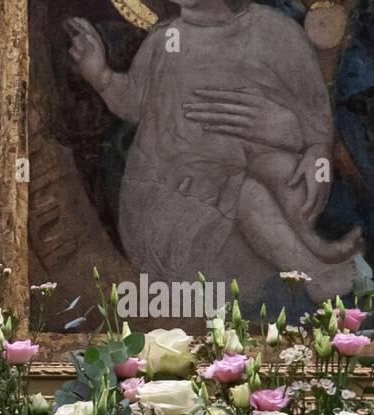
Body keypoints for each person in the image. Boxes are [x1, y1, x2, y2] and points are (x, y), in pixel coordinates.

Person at [67, 0, 361, 304]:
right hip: (169, 202)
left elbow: (317, 122)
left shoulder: (277, 33)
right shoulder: (166, 40)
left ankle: (311, 245)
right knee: (245, 193)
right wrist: (101, 76)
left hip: (241, 200)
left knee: (286, 170)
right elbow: (133, 102)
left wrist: (313, 151)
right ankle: (313, 272)